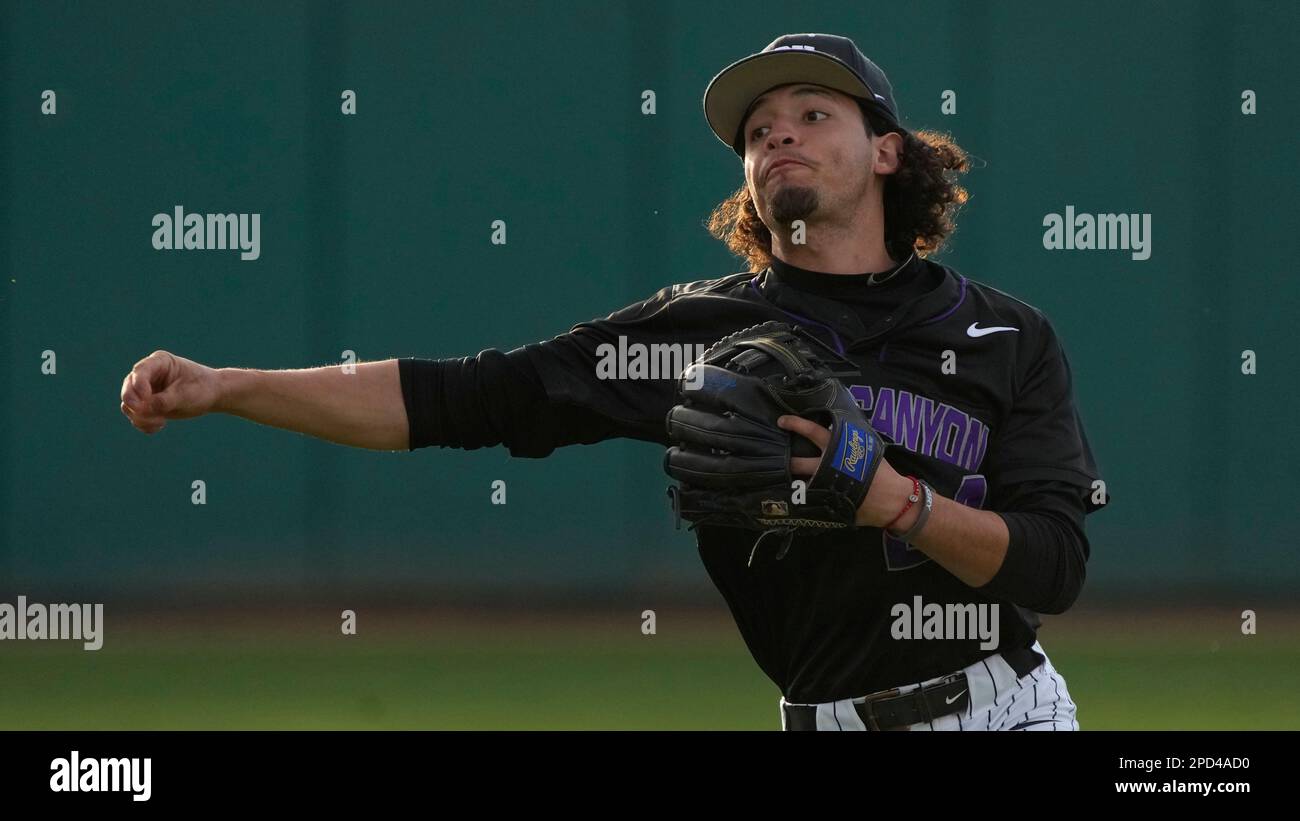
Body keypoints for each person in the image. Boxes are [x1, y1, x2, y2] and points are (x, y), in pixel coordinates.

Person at [120, 33, 1106, 731]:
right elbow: (465, 397)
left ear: (888, 152)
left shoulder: (1004, 335)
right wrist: (227, 386)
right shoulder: (700, 332)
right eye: (759, 132)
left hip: (1002, 708)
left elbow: (1054, 565)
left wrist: (894, 502)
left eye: (814, 113)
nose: (780, 138)